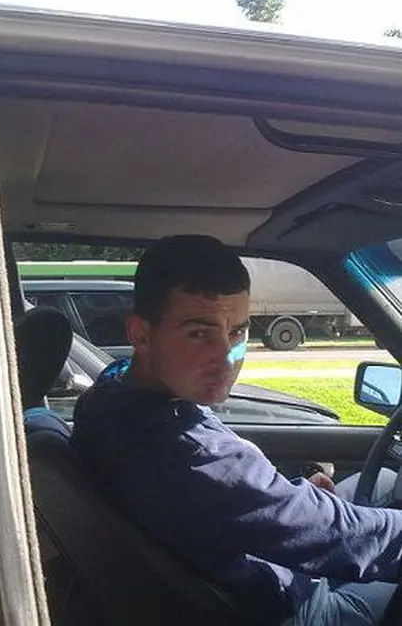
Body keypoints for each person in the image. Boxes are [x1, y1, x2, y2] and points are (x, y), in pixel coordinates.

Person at [71, 235, 401, 626]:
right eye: (200, 333)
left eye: (238, 332)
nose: (227, 357)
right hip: (296, 608)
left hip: (245, 557)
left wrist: (284, 496)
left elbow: (227, 497)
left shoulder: (108, 398)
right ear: (141, 335)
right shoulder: (190, 456)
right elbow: (344, 538)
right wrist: (289, 505)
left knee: (383, 479)